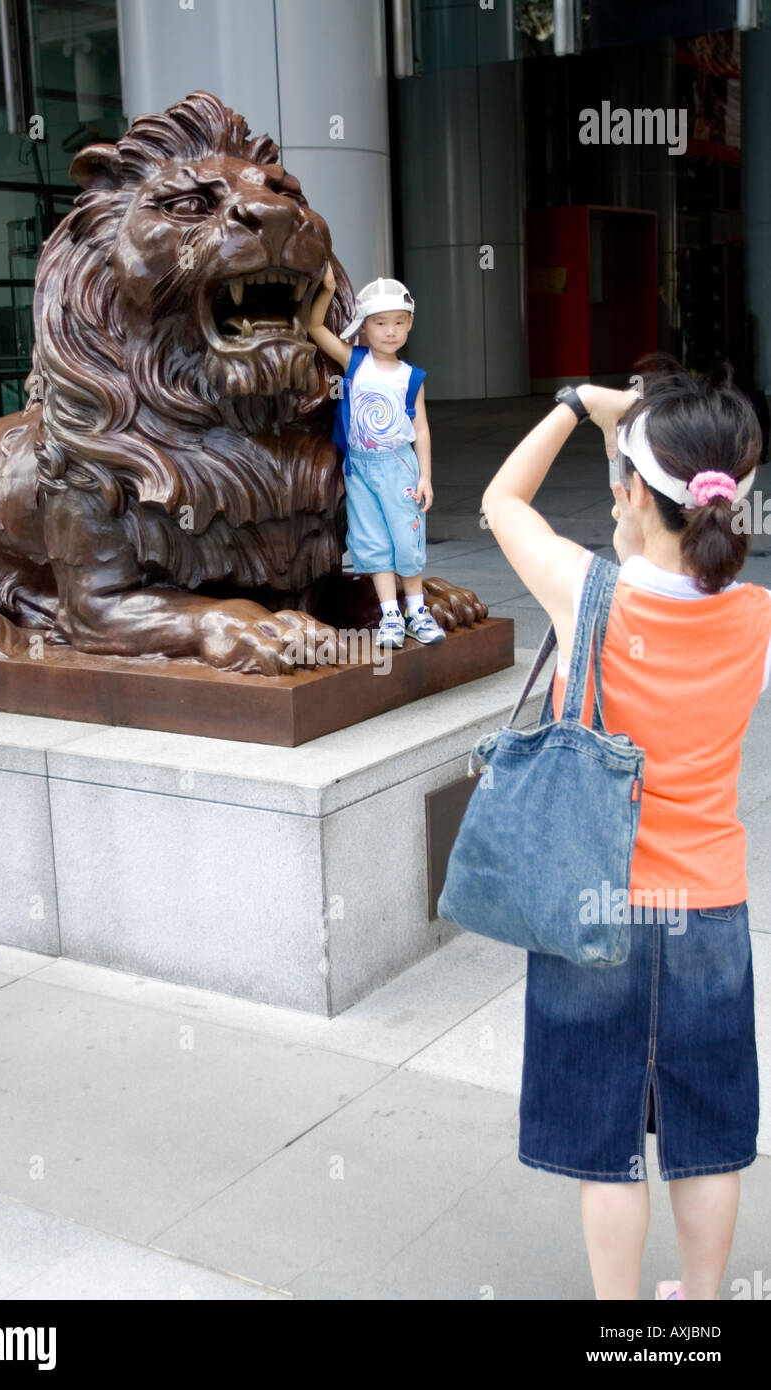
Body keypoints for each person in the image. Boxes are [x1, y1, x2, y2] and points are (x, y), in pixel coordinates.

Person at [480, 354, 771, 1301]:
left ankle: (622, 1322)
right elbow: (662, 524)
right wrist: (627, 435)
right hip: (711, 907)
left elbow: (501, 499)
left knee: (609, 1141)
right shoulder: (756, 618)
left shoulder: (587, 595)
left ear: (635, 495)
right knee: (707, 1129)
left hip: (591, 906)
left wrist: (575, 405)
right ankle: (698, 1309)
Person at [308, 267, 446, 648]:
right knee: (373, 542)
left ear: (410, 325)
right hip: (360, 469)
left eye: (399, 323)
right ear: (364, 327)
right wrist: (328, 289)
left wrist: (425, 477)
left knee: (406, 540)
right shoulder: (355, 361)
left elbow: (421, 429)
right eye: (380, 322)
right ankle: (390, 615)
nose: (390, 331)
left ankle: (416, 610)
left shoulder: (411, 376)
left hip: (399, 466)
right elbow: (316, 328)